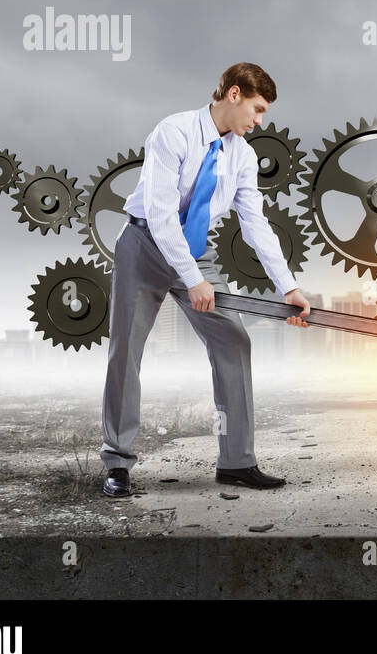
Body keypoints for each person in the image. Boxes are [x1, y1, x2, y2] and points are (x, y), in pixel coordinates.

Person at [99, 62, 310, 498]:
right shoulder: (172, 133)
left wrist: (288, 286)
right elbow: (159, 214)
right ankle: (117, 464)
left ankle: (237, 462)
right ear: (233, 94)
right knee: (127, 350)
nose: (259, 121)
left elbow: (255, 225)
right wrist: (193, 280)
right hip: (143, 245)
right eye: (257, 109)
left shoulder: (243, 155)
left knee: (233, 340)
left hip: (195, 249)